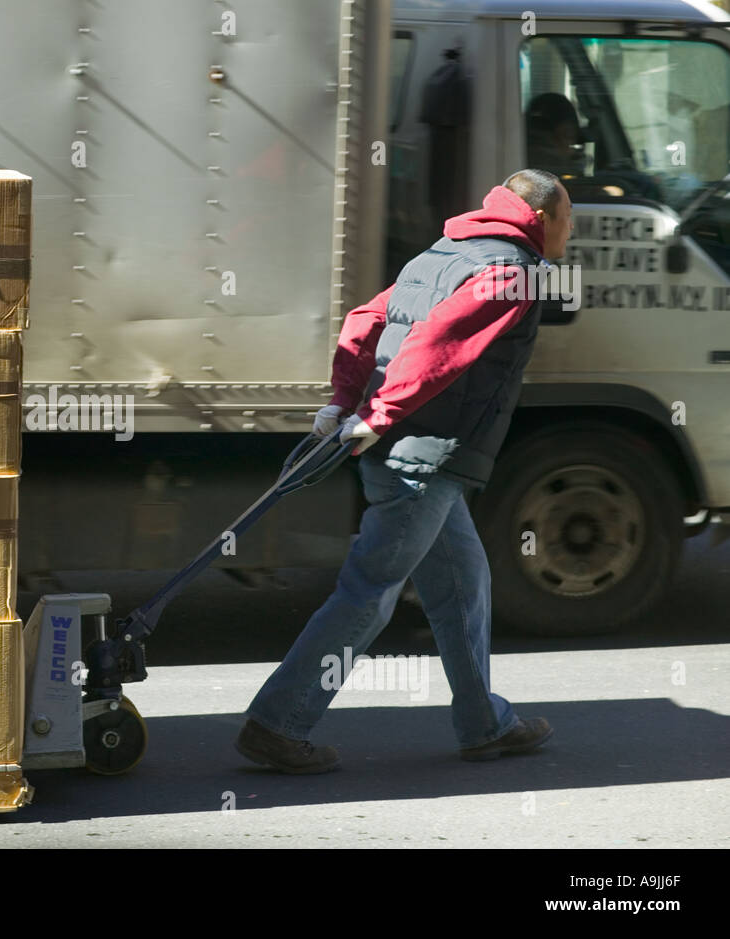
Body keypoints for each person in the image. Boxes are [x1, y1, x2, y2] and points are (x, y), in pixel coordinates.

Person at [236, 169, 572, 773]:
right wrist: (380, 410)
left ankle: (484, 724)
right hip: (423, 456)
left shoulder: (440, 254)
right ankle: (277, 724)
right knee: (370, 592)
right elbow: (442, 340)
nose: (570, 237)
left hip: (420, 459)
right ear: (543, 220)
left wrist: (344, 400)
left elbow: (367, 319)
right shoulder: (512, 270)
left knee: (464, 584)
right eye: (569, 223)